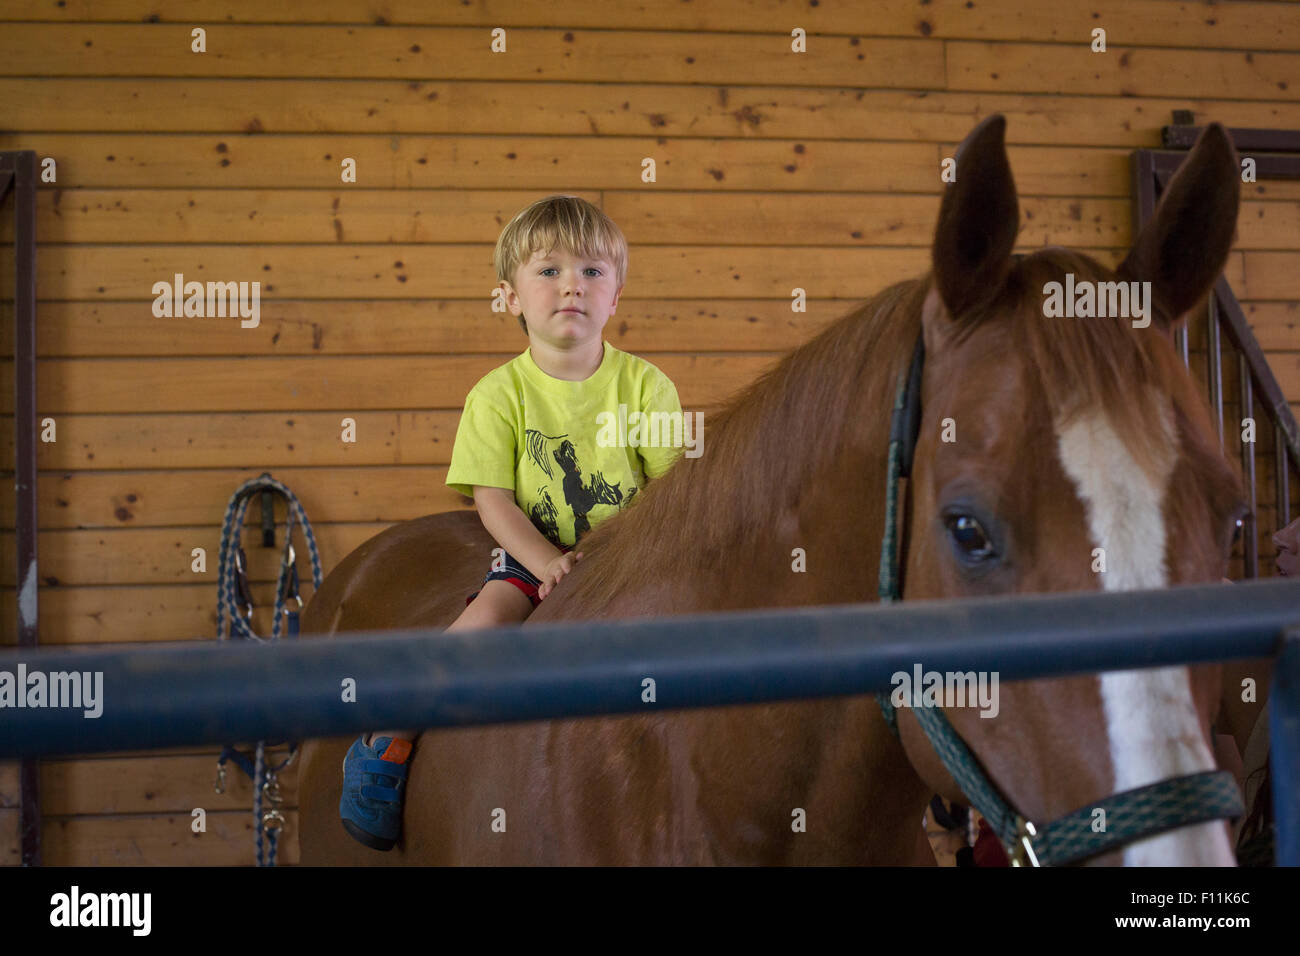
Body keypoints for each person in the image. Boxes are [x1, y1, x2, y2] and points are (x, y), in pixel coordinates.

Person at [339, 195, 686, 850]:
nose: (572, 287)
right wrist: (548, 562)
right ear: (510, 299)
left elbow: (671, 492)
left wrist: (637, 557)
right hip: (533, 560)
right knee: (481, 627)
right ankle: (389, 738)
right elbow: (492, 500)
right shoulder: (498, 395)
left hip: (633, 560)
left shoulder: (647, 388)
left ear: (615, 299)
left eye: (592, 272)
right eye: (549, 271)